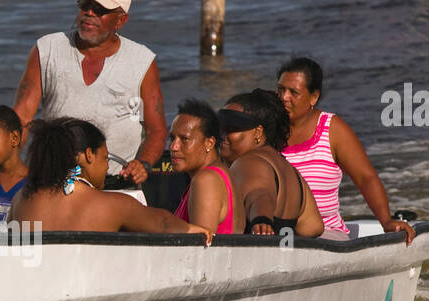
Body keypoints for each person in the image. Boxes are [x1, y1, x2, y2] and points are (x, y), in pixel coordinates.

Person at [12, 0, 166, 185]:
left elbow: (156, 130)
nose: (89, 14)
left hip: (117, 180)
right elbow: (21, 118)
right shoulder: (47, 50)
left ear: (120, 20)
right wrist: (11, 166)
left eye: (100, 10)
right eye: (85, 6)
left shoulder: (142, 61)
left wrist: (143, 163)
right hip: (56, 179)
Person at [276, 57, 415, 244]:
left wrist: (386, 221)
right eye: (280, 90)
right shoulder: (267, 129)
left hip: (325, 235)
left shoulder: (332, 129)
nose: (284, 97)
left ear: (313, 97)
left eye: (293, 92)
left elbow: (366, 178)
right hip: (276, 234)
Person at [8, 117, 207, 236]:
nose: (106, 168)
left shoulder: (21, 199)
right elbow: (163, 223)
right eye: (104, 158)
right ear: (88, 155)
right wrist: (192, 230)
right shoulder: (113, 204)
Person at [219, 90, 324, 238]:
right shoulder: (292, 172)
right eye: (221, 126)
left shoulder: (249, 162)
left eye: (232, 128)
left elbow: (260, 195)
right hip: (282, 255)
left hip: (253, 257)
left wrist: (261, 219)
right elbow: (313, 227)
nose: (222, 134)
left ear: (257, 132)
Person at [168, 98, 242, 240]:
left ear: (209, 142)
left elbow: (201, 250)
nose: (173, 147)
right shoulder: (220, 173)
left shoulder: (206, 180)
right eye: (172, 138)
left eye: (184, 139)